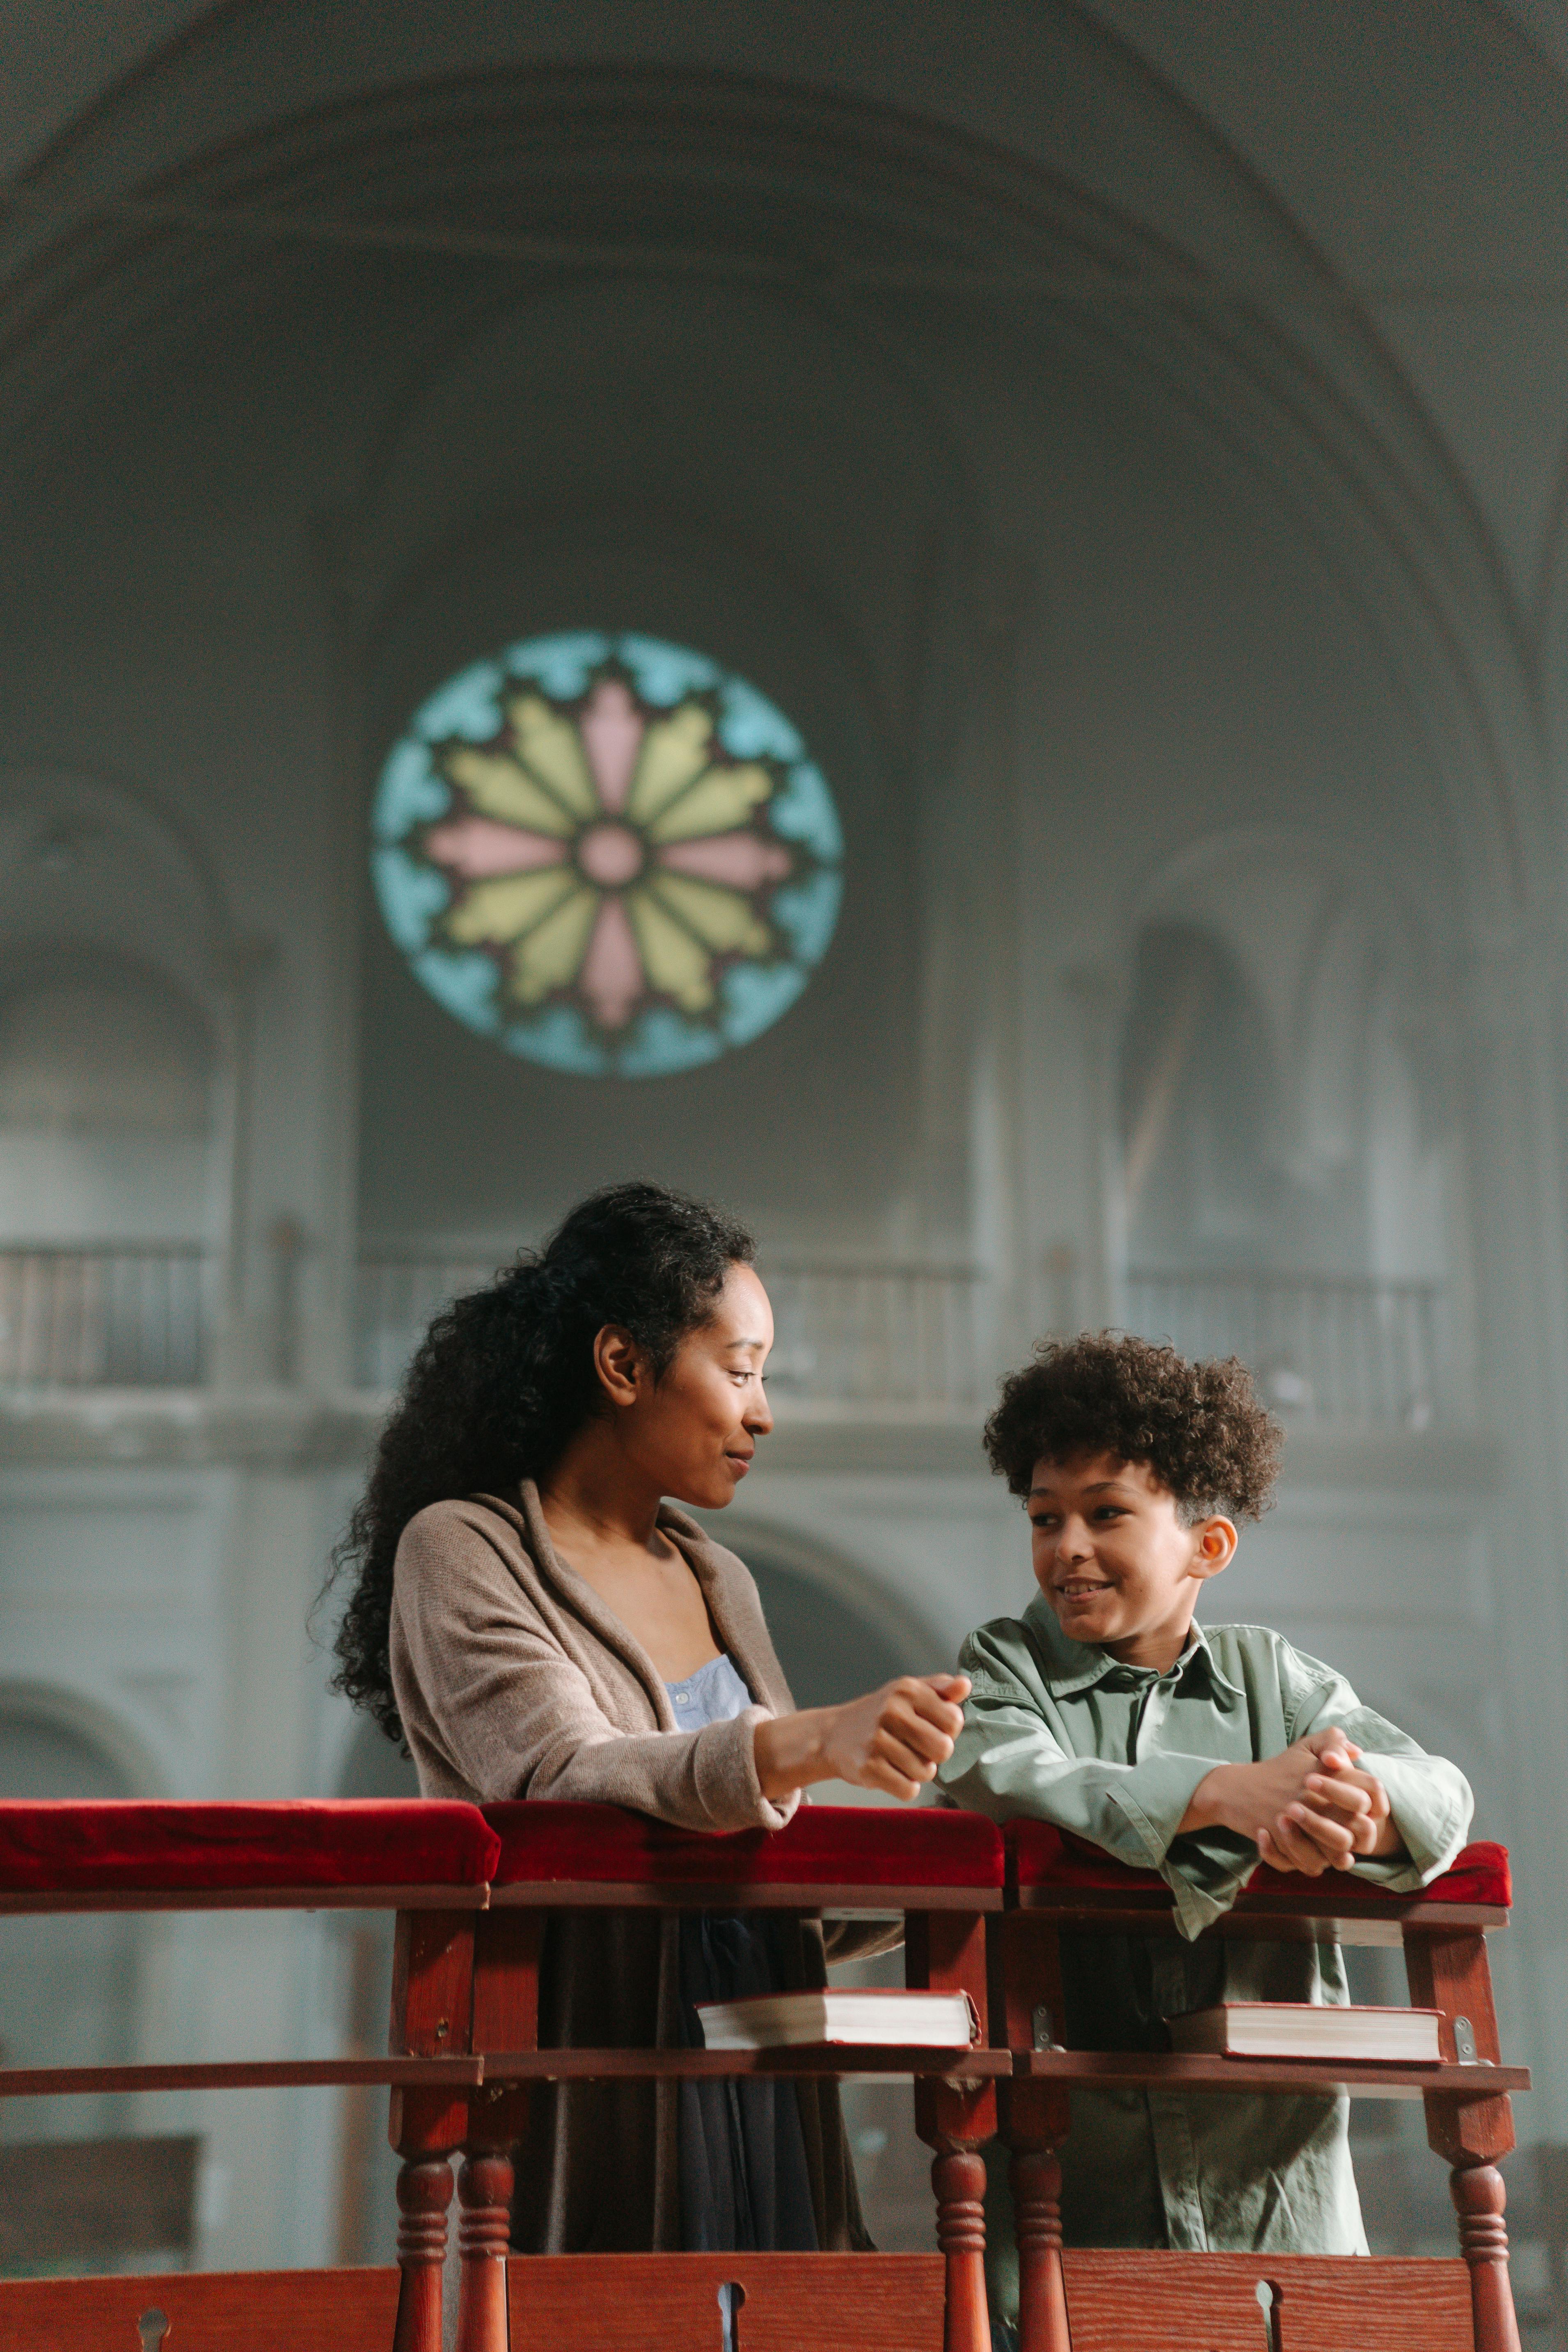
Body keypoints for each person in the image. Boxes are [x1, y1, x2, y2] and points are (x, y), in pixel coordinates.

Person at [329, 1179, 969, 2260]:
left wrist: (957, 1828)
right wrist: (813, 1739)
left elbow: (761, 1866)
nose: (762, 1412)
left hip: (766, 2047)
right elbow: (561, 1773)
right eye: (739, 1368)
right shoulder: (464, 1547)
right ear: (623, 1364)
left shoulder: (718, 1575)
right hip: (597, 2057)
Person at [936, 1332, 1472, 2308]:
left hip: (1281, 2210)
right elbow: (1005, 1777)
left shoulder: (1276, 1677)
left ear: (1207, 1544)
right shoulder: (1005, 1664)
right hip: (1069, 2210)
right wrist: (1230, 1792)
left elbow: (1438, 1786)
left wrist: (1362, 1807)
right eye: (1045, 1517)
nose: (1068, 1548)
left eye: (1107, 1513)